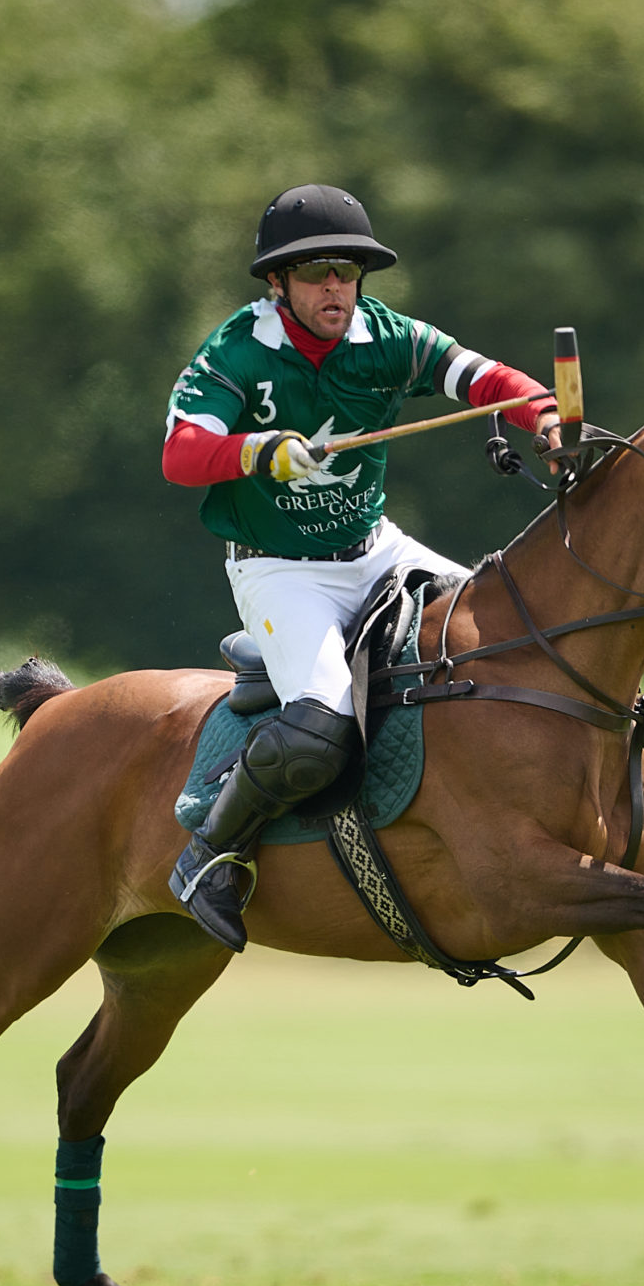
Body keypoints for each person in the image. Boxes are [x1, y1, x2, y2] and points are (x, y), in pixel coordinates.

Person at [160, 184, 561, 947]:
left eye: (347, 270)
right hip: (281, 568)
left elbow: (492, 382)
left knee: (514, 641)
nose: (335, 287)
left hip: (377, 550)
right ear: (278, 283)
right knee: (318, 721)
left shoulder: (390, 337)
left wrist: (541, 415)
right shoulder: (238, 349)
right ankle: (209, 852)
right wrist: (256, 449)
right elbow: (181, 455)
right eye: (315, 273)